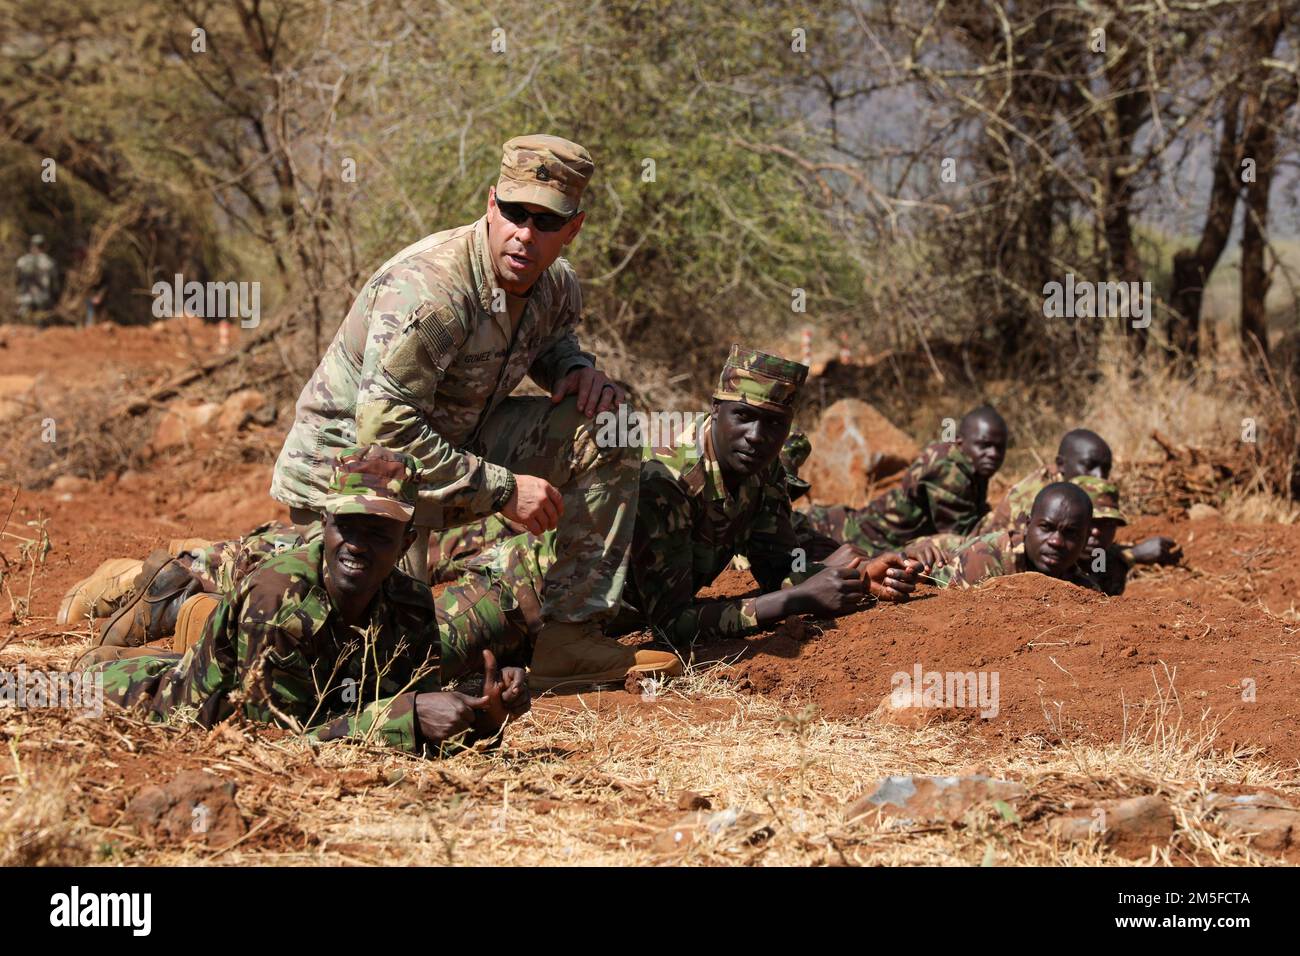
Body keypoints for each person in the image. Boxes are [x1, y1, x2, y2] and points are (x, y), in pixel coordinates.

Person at [268, 134, 672, 689]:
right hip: (355, 472)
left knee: (609, 428)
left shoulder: (555, 284)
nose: (524, 234)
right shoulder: (431, 290)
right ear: (490, 204)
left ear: (573, 228)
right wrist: (504, 490)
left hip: (449, 447)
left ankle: (571, 636)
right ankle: (194, 593)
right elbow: (383, 429)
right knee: (382, 671)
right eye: (514, 213)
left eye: (546, 221)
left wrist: (574, 369)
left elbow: (551, 340)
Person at [424, 347, 922, 676]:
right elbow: (672, 625)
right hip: (516, 598)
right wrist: (794, 601)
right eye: (744, 417)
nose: (756, 436)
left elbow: (777, 567)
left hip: (583, 638)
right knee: (406, 665)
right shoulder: (667, 481)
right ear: (715, 410)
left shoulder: (763, 470)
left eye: (773, 425)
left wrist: (857, 577)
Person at [80, 446, 528, 754]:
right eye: (346, 526)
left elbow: (415, 720)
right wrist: (406, 716)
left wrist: (483, 715)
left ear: (407, 542)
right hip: (148, 702)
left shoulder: (410, 602)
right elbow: (271, 740)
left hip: (293, 697)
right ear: (324, 524)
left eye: (378, 532)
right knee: (70, 688)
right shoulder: (279, 601)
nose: (356, 545)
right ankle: (116, 659)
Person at [793, 405, 1008, 554]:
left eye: (999, 448)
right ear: (960, 441)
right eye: (984, 445)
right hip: (845, 534)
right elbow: (966, 540)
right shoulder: (949, 471)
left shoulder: (969, 464)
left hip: (861, 531)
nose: (993, 454)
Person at [924, 482, 1097, 590]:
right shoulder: (984, 560)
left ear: (1085, 539)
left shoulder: (1083, 589)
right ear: (1028, 525)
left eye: (1071, 533)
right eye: (1046, 527)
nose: (1056, 541)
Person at [975, 428, 1112, 536]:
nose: (1100, 476)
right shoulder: (1036, 500)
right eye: (1089, 465)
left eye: (1106, 469)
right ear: (1061, 464)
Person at [1071, 476, 1181, 595]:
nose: (1096, 532)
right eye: (1090, 521)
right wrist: (1132, 555)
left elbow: (1100, 575)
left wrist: (1133, 555)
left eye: (1108, 524)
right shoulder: (1058, 564)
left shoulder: (1098, 555)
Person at [15, 234, 58, 322]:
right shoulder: (49, 262)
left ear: (31, 245)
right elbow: (55, 286)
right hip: (44, 299)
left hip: (25, 298)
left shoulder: (22, 261)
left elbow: (17, 280)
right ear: (44, 246)